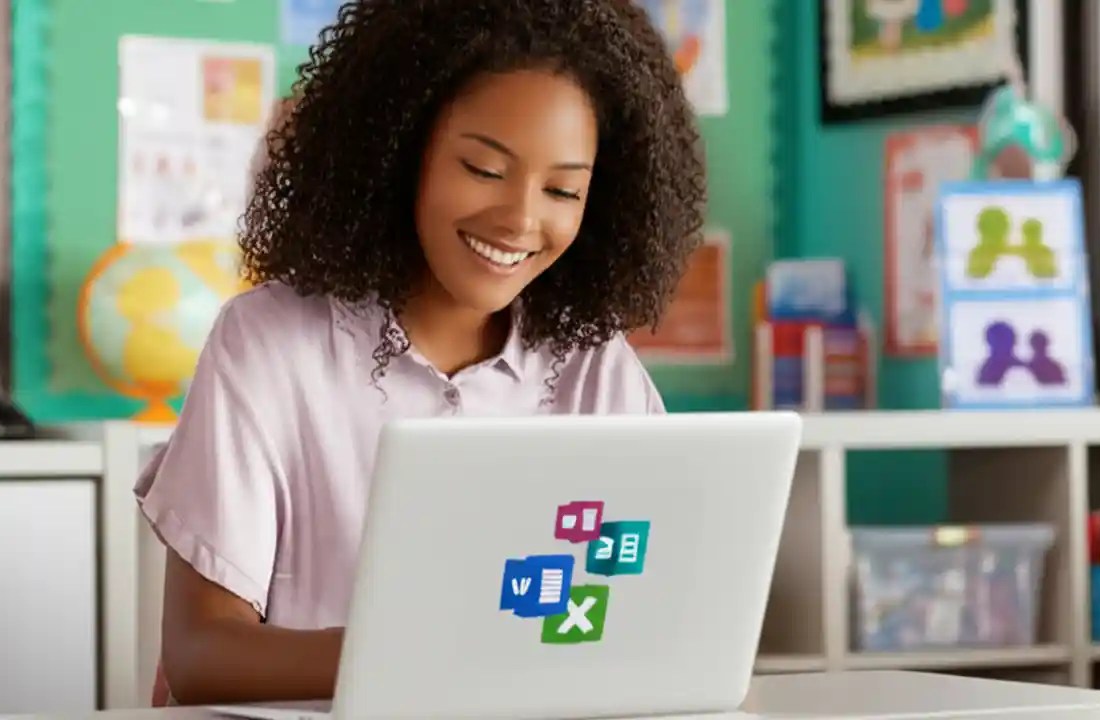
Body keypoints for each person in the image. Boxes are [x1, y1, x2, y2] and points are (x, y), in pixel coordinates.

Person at [135, 0, 706, 705]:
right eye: (483, 168)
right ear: (401, 147)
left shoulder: (596, 367)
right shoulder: (269, 346)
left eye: (563, 189)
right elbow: (201, 657)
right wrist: (427, 651)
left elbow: (644, 617)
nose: (521, 220)